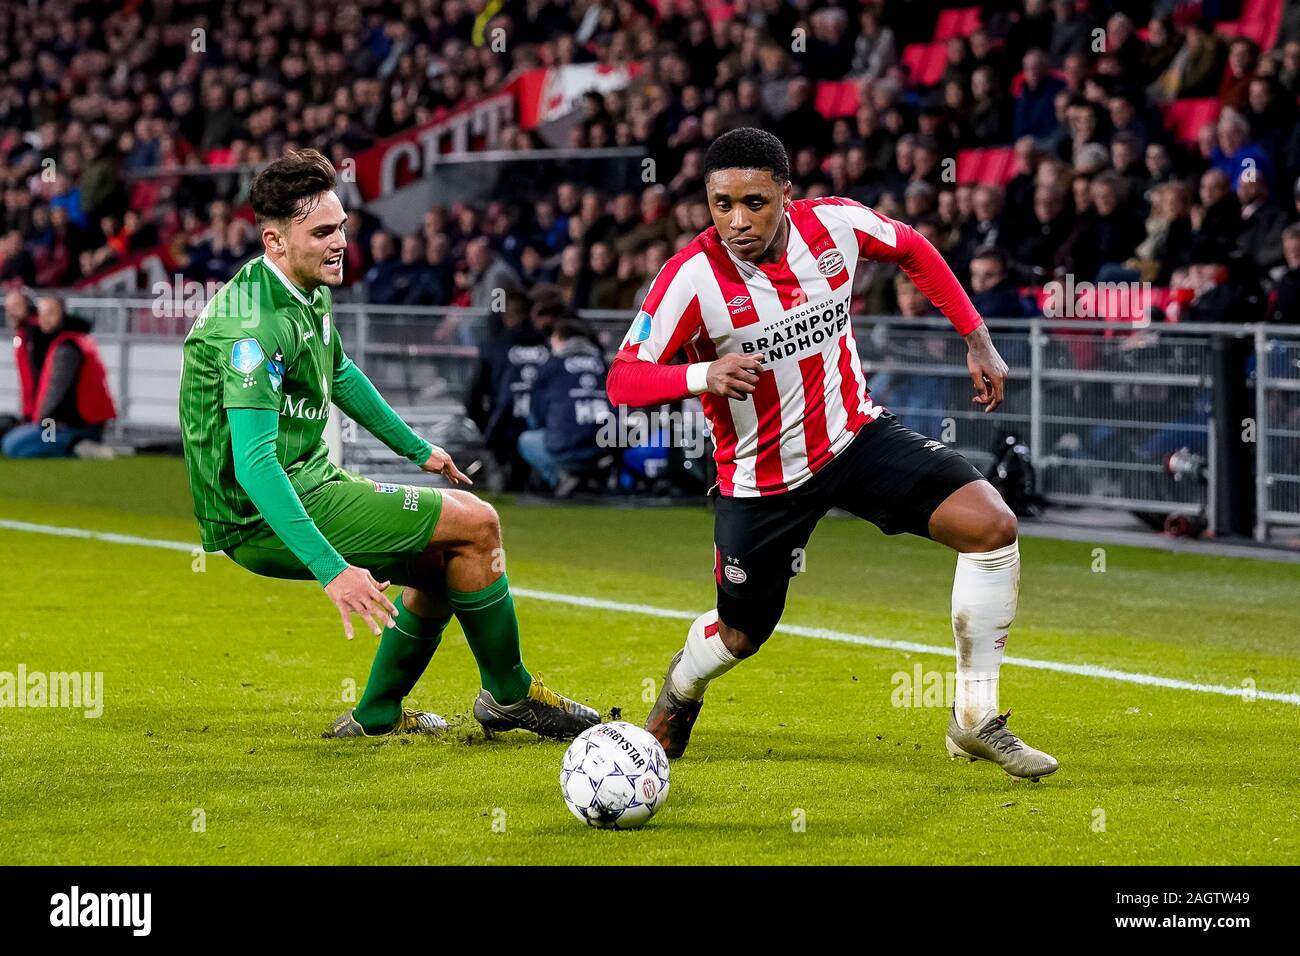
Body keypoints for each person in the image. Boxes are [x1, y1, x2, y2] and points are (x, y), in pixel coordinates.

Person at [607, 128, 1057, 780]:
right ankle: (684, 685)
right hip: (761, 481)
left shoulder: (836, 227)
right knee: (740, 636)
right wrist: (702, 376)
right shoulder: (690, 279)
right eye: (722, 204)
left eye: (755, 203)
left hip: (854, 438)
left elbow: (914, 248)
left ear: (786, 195)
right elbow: (623, 380)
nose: (737, 221)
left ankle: (974, 718)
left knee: (992, 528)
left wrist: (976, 337)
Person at [179, 149, 598, 740]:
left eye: (342, 227)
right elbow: (253, 463)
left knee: (445, 561)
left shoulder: (301, 288)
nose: (339, 243)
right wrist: (333, 571)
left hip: (306, 482)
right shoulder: (253, 326)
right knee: (477, 525)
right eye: (322, 232)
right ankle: (509, 694)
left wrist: (416, 448)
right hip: (259, 515)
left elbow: (339, 371)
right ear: (274, 241)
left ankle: (376, 713)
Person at [3, 293, 117, 459]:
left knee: (14, 445)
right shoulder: (67, 341)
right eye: (42, 314)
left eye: (51, 313)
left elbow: (55, 390)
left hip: (72, 425)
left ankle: (76, 445)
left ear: (62, 314)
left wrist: (38, 421)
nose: (44, 319)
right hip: (67, 422)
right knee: (13, 440)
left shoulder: (66, 348)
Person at [519, 319, 611, 497]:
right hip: (604, 447)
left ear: (560, 338)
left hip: (565, 448)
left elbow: (536, 411)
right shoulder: (604, 364)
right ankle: (593, 478)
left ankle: (561, 477)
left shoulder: (553, 365)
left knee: (526, 439)